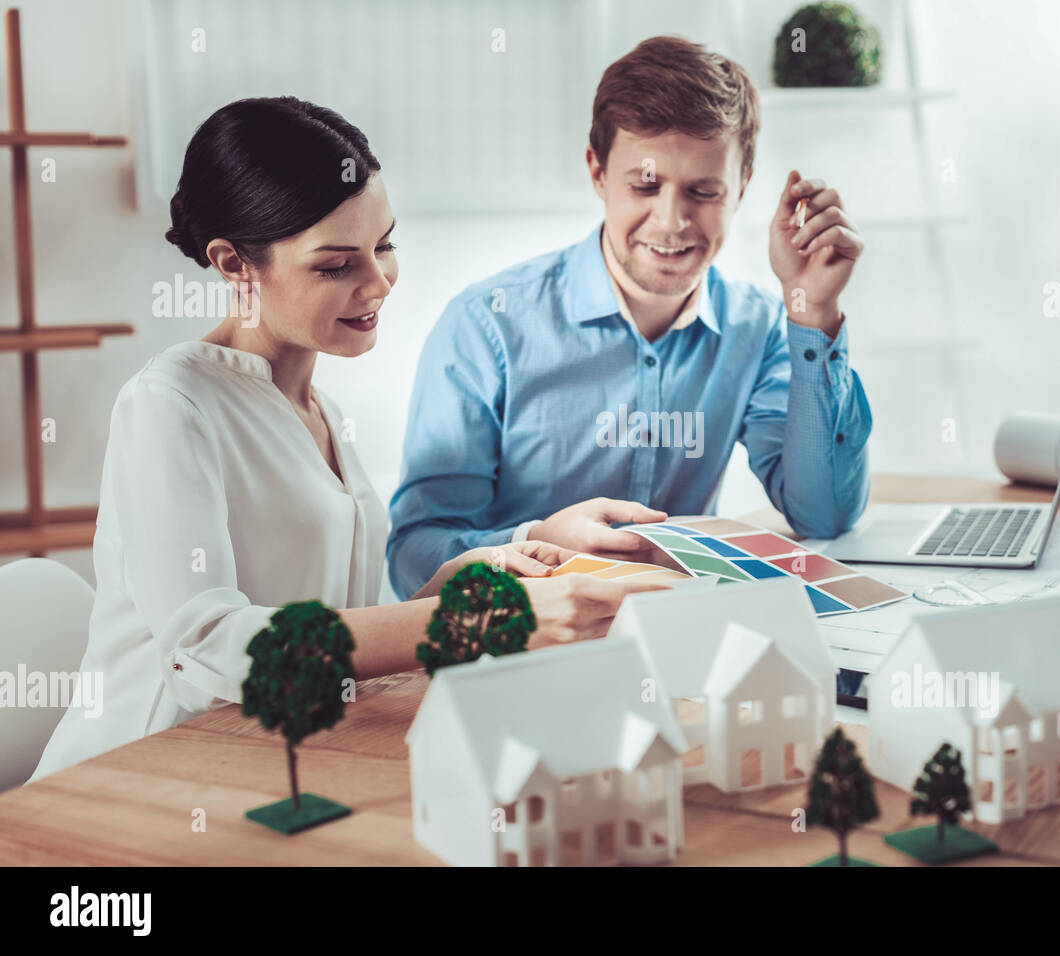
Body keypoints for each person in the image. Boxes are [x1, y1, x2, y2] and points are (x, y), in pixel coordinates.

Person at [32, 97, 660, 781]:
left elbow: (329, 631)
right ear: (234, 263)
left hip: (274, 764)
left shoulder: (317, 409)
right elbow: (205, 649)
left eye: (383, 245)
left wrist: (470, 576)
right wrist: (456, 624)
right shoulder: (171, 404)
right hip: (139, 779)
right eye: (336, 265)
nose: (379, 282)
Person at [388, 36, 873, 601]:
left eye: (703, 191)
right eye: (646, 185)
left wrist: (812, 310)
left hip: (678, 646)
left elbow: (824, 516)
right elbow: (413, 561)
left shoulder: (760, 326)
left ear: (741, 188)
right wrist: (533, 543)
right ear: (597, 172)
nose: (672, 221)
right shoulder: (486, 326)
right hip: (514, 649)